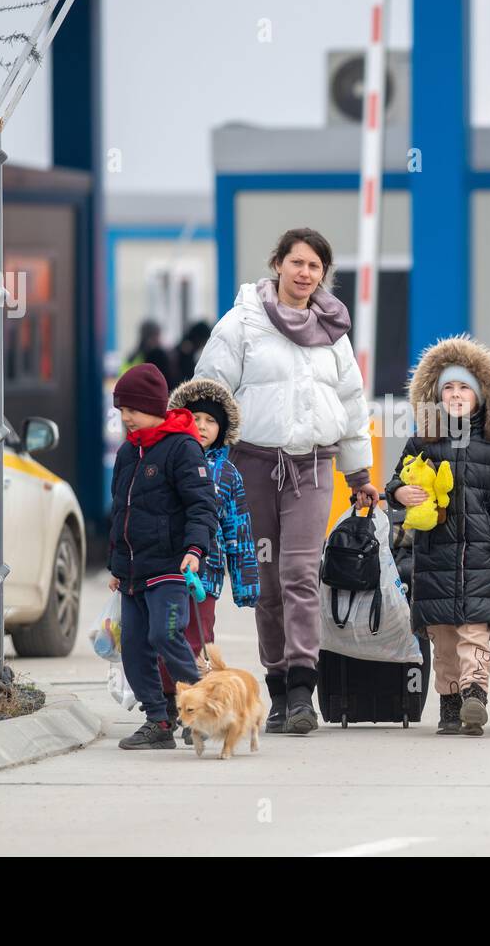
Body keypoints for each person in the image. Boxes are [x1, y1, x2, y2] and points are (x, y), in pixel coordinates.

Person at [195, 227, 379, 735]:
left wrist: (358, 472)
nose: (304, 273)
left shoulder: (334, 332)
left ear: (323, 275)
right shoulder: (242, 324)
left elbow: (350, 404)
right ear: (278, 264)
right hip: (252, 465)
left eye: (315, 267)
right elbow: (209, 392)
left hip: (312, 468)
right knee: (268, 582)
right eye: (296, 262)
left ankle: (303, 692)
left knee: (299, 573)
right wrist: (201, 460)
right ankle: (276, 688)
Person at [385, 337, 490, 736]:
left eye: (464, 387)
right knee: (444, 637)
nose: (456, 394)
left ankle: (475, 697)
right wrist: (399, 493)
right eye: (448, 387)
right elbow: (397, 481)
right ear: (436, 394)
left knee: (474, 631)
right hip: (434, 557)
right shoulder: (422, 443)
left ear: (482, 394)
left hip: (481, 556)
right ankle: (450, 704)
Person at [107, 363, 220, 750]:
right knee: (135, 646)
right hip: (133, 574)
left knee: (166, 634)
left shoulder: (183, 448)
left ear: (154, 408)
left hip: (171, 568)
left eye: (132, 410)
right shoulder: (127, 453)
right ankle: (158, 721)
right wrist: (117, 566)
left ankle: (202, 711)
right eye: (121, 411)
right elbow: (120, 511)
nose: (125, 418)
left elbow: (203, 505)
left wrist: (194, 549)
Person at [156, 376, 261, 744]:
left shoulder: (229, 474)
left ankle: (200, 706)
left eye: (210, 421)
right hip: (166, 568)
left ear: (223, 429)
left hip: (208, 575)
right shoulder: (166, 458)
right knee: (166, 635)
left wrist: (246, 582)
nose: (201, 426)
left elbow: (239, 527)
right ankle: (170, 705)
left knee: (198, 637)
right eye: (194, 418)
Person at [121, 319, 176, 388]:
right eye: (158, 335)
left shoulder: (132, 357)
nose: (160, 340)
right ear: (151, 337)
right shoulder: (156, 358)